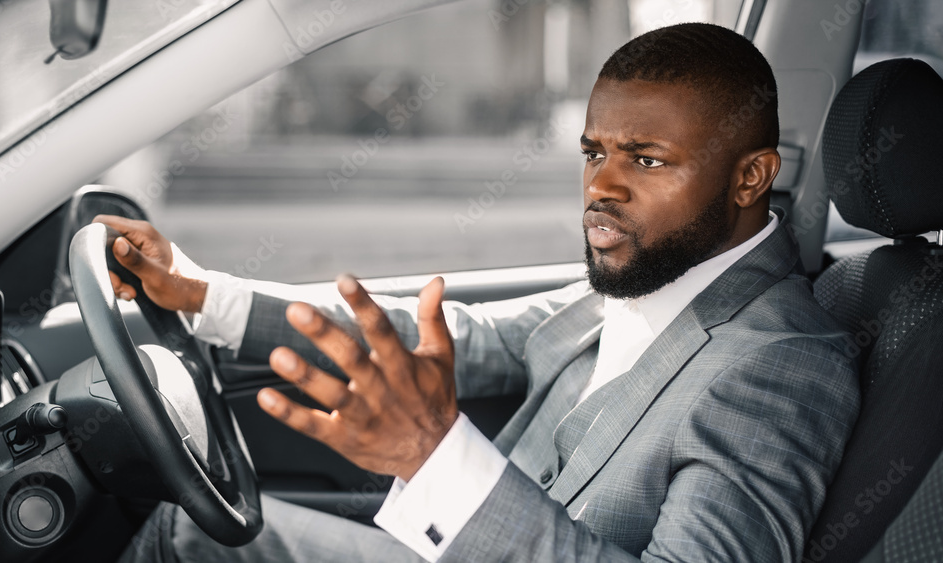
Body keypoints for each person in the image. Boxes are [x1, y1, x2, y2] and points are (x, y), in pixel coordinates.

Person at [109, 22, 860, 562]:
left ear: (750, 177)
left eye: (646, 159)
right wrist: (204, 293)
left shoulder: (784, 364)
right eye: (593, 151)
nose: (600, 185)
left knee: (185, 538)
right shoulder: (648, 276)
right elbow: (455, 338)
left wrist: (434, 457)